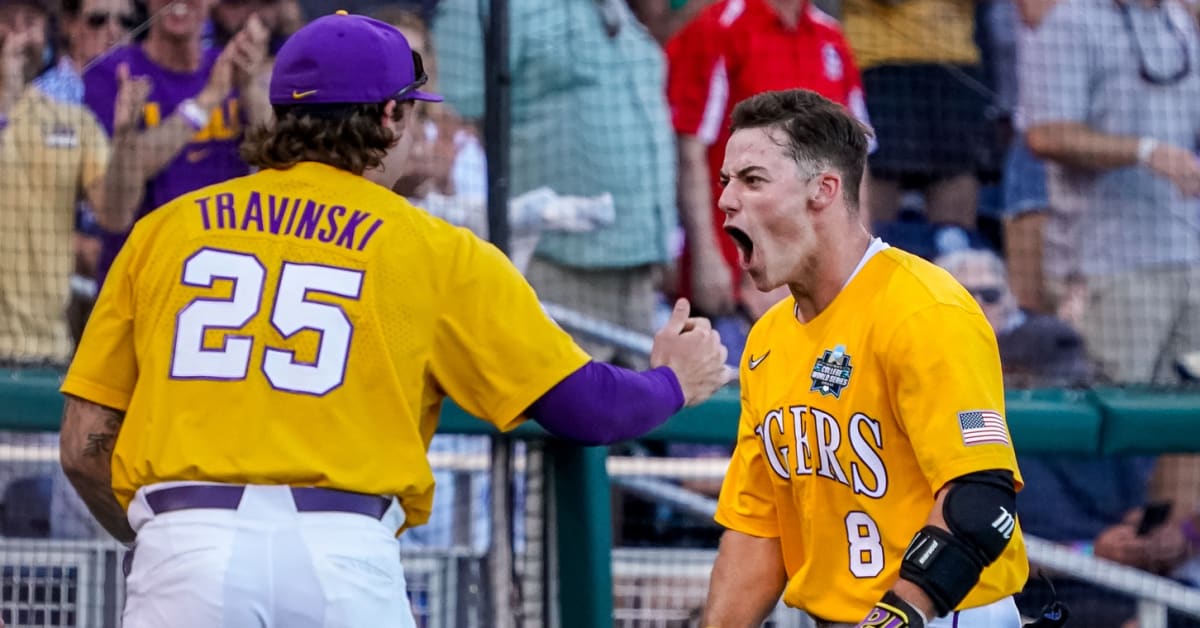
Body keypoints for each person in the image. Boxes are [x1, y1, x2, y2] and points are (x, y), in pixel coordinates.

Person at [57, 12, 730, 628]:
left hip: (184, 543)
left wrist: (171, 543)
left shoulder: (164, 231)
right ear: (390, 116)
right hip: (343, 552)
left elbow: (84, 445)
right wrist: (673, 380)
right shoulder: (436, 250)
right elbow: (588, 408)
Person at [702, 89, 1028, 628]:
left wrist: (894, 617)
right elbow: (759, 528)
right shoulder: (767, 339)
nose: (727, 200)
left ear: (824, 189)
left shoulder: (924, 308)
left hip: (939, 615)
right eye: (725, 181)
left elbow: (980, 503)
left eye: (752, 180)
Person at [84, 0, 272, 283]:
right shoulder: (114, 72)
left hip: (224, 273)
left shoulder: (231, 66)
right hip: (142, 274)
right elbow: (126, 172)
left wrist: (249, 86)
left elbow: (274, 152)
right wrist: (206, 102)